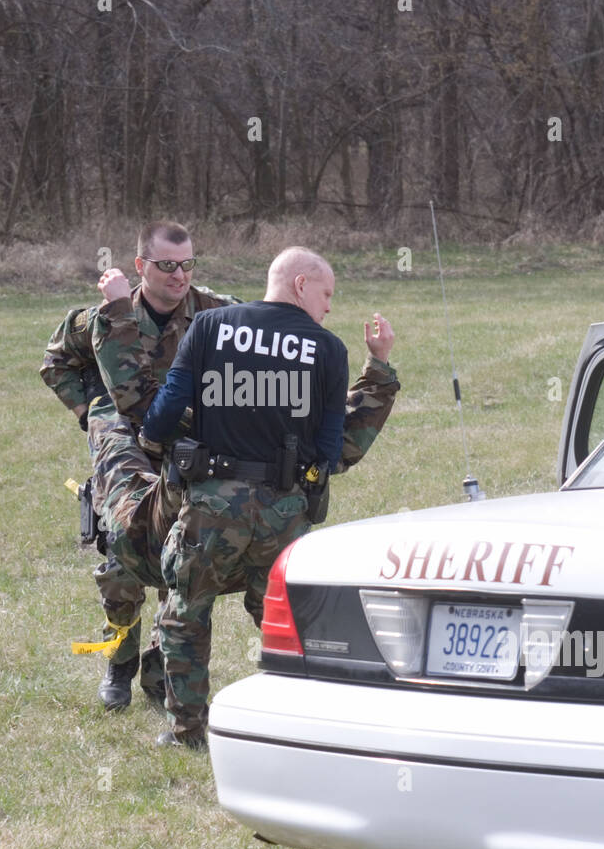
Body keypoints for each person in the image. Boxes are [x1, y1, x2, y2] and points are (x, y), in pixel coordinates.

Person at [105, 246, 393, 749]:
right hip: (285, 510)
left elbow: (169, 405)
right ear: (301, 285)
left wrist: (155, 439)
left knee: (186, 612)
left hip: (211, 504)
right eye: (327, 294)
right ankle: (300, 728)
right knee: (285, 621)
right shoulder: (327, 349)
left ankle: (187, 730)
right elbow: (328, 448)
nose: (328, 308)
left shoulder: (212, 326)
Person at [40, 220, 239, 709]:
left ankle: (159, 664)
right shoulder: (107, 315)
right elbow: (56, 361)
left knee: (182, 547)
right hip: (124, 440)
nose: (179, 276)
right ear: (140, 266)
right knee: (124, 550)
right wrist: (90, 413)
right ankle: (120, 659)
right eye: (167, 265)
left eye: (187, 264)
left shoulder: (215, 312)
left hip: (182, 440)